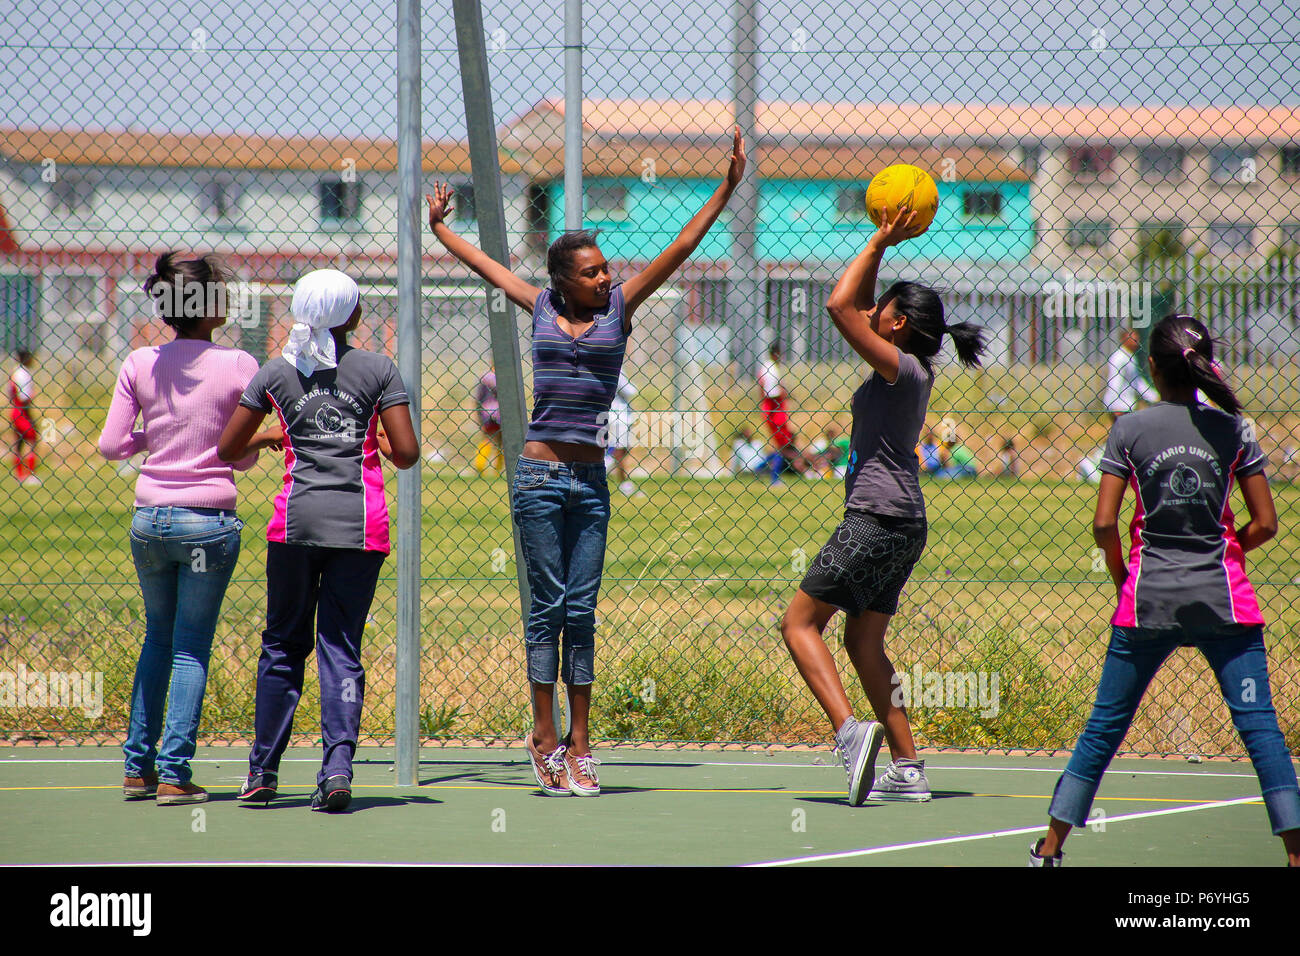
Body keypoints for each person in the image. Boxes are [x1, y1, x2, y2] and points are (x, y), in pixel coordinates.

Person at [425, 126, 745, 797]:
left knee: (582, 610)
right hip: (539, 476)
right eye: (594, 271)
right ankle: (543, 735)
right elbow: (488, 266)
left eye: (607, 269)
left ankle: (581, 741)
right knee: (546, 607)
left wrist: (727, 187)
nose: (607, 277)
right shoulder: (539, 305)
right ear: (565, 281)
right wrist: (441, 232)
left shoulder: (620, 311)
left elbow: (681, 249)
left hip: (591, 480)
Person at [1030, 315, 1300, 867]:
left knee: (1105, 727)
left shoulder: (1128, 428)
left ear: (1151, 366)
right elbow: (1266, 523)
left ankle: (1050, 849)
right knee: (1259, 728)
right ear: (1201, 367)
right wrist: (1222, 554)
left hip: (1145, 601)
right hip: (1226, 603)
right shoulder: (1235, 431)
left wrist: (1122, 576)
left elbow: (1105, 525)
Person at [780, 208, 987, 806]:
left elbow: (841, 308)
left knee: (799, 624)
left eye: (882, 313)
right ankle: (908, 765)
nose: (872, 314)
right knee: (863, 643)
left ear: (895, 325)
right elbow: (862, 304)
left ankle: (851, 735)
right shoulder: (907, 366)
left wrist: (875, 239)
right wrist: (882, 251)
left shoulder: (903, 370)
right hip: (904, 523)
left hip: (874, 518)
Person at [218, 268, 419, 812]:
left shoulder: (277, 372)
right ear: (350, 316)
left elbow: (229, 448)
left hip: (294, 527)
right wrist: (372, 434)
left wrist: (273, 433)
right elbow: (407, 454)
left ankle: (262, 772)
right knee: (341, 648)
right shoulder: (379, 369)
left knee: (282, 644)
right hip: (360, 529)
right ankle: (337, 772)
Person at [98, 252, 281, 806]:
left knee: (157, 638)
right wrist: (260, 442)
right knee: (190, 648)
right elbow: (240, 458)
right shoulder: (239, 366)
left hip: (149, 517)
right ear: (207, 306)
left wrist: (153, 441)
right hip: (208, 522)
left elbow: (111, 445)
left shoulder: (139, 362)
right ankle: (175, 773)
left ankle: (138, 768)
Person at [1103, 327, 1157, 422]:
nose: (1136, 342)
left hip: (1128, 406)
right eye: (1133, 340)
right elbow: (1115, 382)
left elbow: (1137, 382)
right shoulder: (1119, 358)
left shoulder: (1130, 357)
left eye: (1137, 340)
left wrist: (1154, 396)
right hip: (1120, 407)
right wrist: (1115, 405)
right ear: (1123, 340)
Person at [9, 349, 40, 485]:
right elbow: (24, 397)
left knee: (19, 443)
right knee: (32, 440)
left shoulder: (15, 373)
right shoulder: (24, 374)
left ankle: (19, 474)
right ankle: (29, 474)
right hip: (22, 412)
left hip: (14, 410)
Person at [606, 370, 638, 495]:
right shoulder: (615, 367)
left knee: (619, 449)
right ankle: (624, 484)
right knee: (620, 450)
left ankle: (624, 483)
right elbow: (630, 390)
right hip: (619, 416)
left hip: (613, 414)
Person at [473, 368, 504, 476]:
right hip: (500, 413)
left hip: (486, 412)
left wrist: (479, 415)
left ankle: (480, 466)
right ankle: (498, 469)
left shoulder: (485, 378)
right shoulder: (504, 377)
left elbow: (478, 398)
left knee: (487, 439)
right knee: (501, 441)